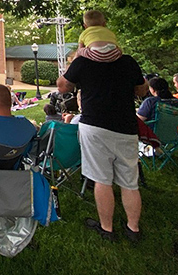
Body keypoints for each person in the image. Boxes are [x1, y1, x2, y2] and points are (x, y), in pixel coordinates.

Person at [57, 49, 147, 242]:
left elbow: (62, 86)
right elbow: (142, 90)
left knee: (101, 180)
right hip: (126, 126)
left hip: (95, 126)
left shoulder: (82, 62)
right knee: (130, 182)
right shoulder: (128, 61)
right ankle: (133, 229)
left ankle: (107, 228)